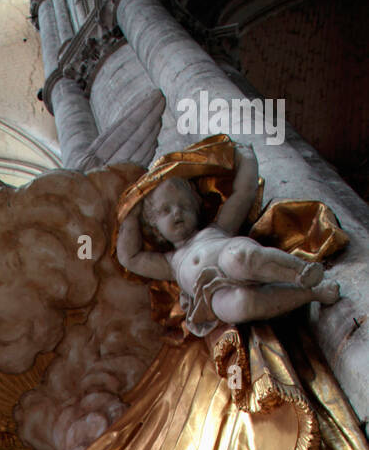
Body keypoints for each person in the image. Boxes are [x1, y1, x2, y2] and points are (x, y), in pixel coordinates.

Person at [116, 144, 339, 336]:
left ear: (197, 206)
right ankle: (311, 294)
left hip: (229, 253)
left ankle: (301, 273)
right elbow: (130, 258)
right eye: (165, 210)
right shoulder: (170, 263)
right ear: (154, 227)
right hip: (210, 295)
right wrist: (131, 213)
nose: (177, 213)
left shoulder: (217, 228)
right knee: (242, 305)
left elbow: (243, 193)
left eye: (183, 205)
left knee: (241, 258)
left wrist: (246, 157)